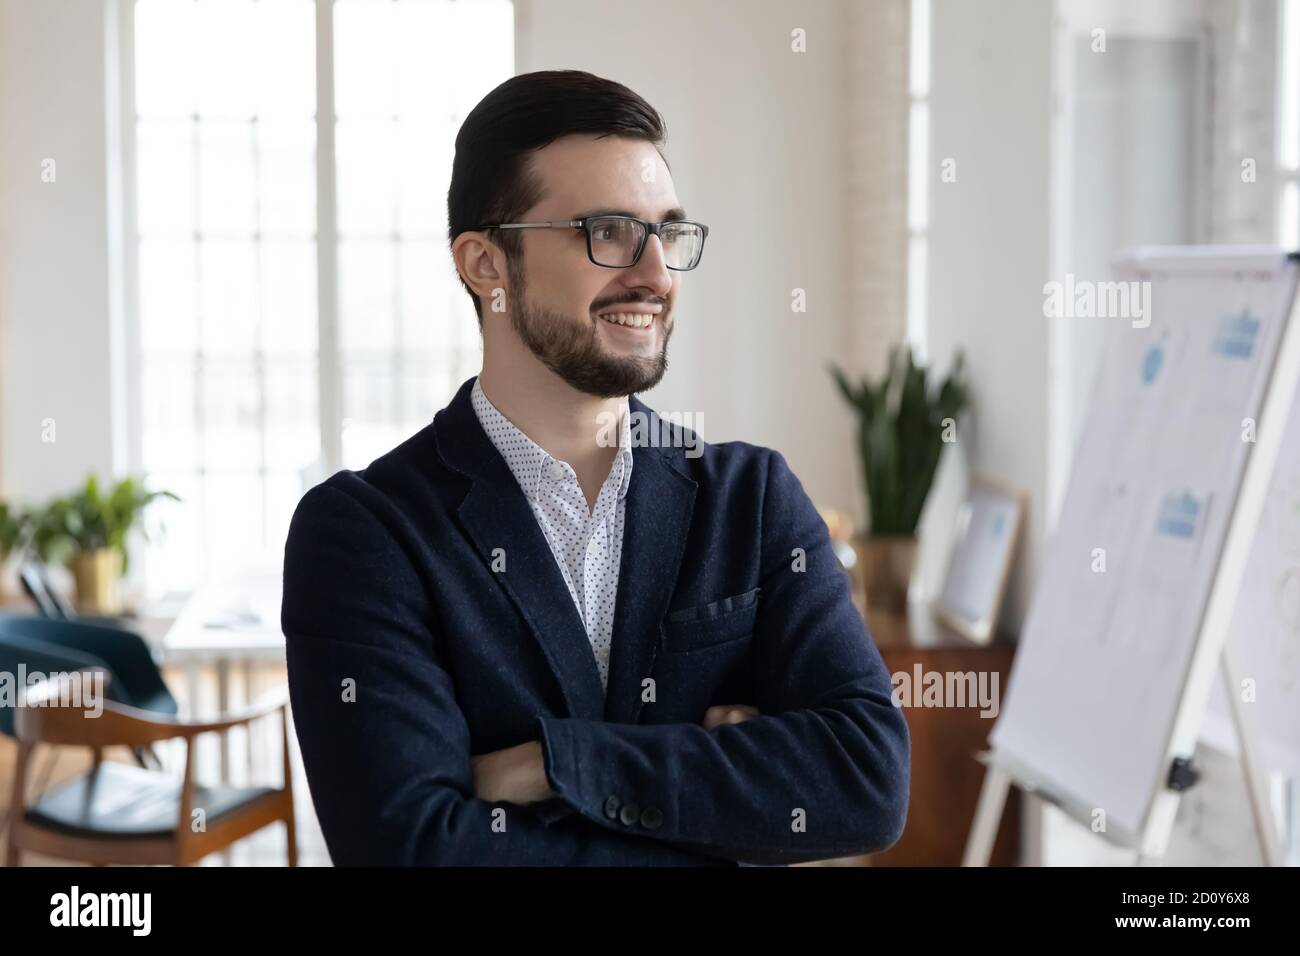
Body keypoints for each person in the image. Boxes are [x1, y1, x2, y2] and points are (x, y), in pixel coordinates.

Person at [281, 69, 909, 866]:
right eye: (607, 232)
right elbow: (411, 853)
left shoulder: (751, 500)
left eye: (668, 234)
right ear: (485, 264)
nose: (654, 275)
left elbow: (867, 782)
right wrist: (720, 809)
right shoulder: (367, 533)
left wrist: (558, 765)